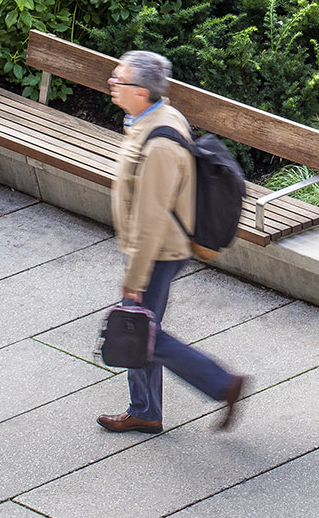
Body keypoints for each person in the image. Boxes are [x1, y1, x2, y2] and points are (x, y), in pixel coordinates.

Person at [98, 49, 246, 435]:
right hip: (154, 248)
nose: (111, 83)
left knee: (141, 332)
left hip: (158, 252)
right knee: (139, 329)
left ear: (142, 92)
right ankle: (145, 410)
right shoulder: (151, 118)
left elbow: (151, 219)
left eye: (119, 79)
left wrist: (133, 277)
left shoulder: (160, 144)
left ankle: (222, 383)